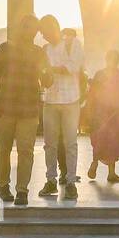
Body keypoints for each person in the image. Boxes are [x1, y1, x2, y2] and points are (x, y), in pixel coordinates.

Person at [0, 14, 47, 207]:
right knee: (2, 150)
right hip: (5, 108)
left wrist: (49, 71)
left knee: (25, 151)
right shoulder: (5, 48)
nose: (31, 32)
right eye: (28, 28)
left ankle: (22, 190)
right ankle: (3, 186)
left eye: (34, 29)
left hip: (28, 110)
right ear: (21, 29)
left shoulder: (39, 53)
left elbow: (47, 80)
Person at [38, 14, 84, 200]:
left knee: (70, 143)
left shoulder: (72, 43)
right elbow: (42, 74)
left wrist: (50, 69)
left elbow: (72, 67)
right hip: (50, 100)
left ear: (54, 27)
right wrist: (47, 72)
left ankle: (71, 182)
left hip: (71, 100)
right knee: (49, 144)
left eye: (45, 31)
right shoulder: (44, 49)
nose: (44, 36)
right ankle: (51, 180)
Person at [86, 50, 119, 183]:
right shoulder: (117, 74)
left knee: (105, 141)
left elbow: (93, 93)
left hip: (107, 113)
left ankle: (103, 168)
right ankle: (104, 169)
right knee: (108, 141)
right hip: (109, 113)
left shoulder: (102, 74)